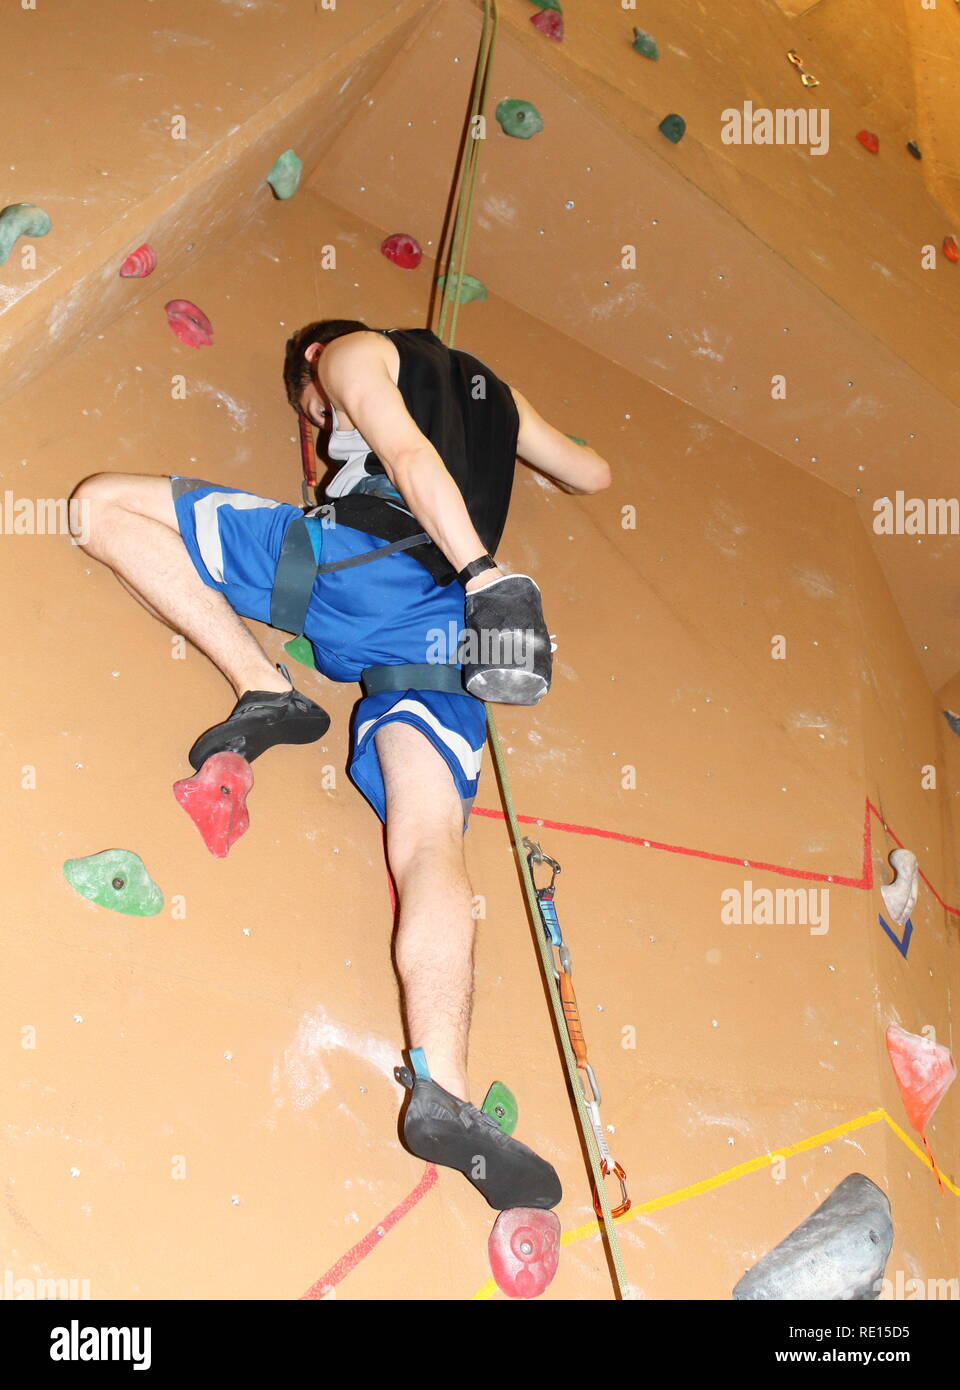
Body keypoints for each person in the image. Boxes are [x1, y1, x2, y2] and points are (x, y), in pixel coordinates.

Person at [68, 320, 611, 1212]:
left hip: (360, 566)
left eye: (313, 413)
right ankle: (446, 1089)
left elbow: (395, 445)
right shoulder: (503, 400)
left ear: (315, 365)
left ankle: (261, 686)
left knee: (97, 505)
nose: (320, 431)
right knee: (430, 844)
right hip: (441, 639)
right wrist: (519, 447)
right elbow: (594, 474)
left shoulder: (358, 351)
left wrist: (487, 572)